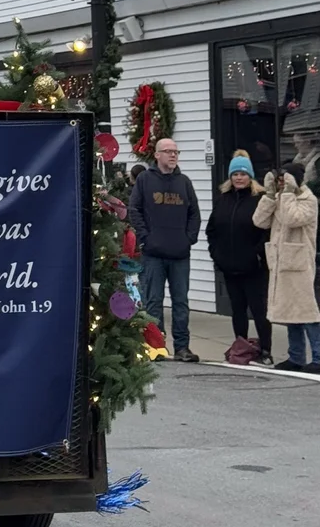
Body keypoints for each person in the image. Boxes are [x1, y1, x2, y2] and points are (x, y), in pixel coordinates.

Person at [128, 137, 201, 362]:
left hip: (180, 254)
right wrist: (146, 238)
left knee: (181, 303)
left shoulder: (184, 182)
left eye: (176, 152)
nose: (173, 155)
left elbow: (194, 213)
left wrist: (188, 239)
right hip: (153, 254)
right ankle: (155, 346)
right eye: (168, 151)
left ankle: (182, 347)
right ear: (157, 155)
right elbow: (134, 209)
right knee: (153, 301)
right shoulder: (145, 180)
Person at [253, 162, 320, 372]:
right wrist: (269, 195)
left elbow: (292, 219)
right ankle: (296, 357)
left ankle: (318, 357)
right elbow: (259, 221)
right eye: (280, 180)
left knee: (307, 313)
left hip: (300, 264)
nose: (281, 183)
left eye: (285, 179)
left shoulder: (308, 199)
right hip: (282, 263)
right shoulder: (281, 197)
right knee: (291, 313)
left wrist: (289, 193)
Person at [205, 151, 271, 364]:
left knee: (259, 311)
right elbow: (212, 230)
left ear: (250, 176)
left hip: (254, 267)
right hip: (229, 266)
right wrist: (217, 255)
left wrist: (257, 255)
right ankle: (241, 347)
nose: (239, 178)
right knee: (238, 310)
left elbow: (267, 231)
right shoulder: (223, 199)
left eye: (243, 174)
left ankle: (266, 350)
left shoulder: (260, 199)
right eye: (235, 174)